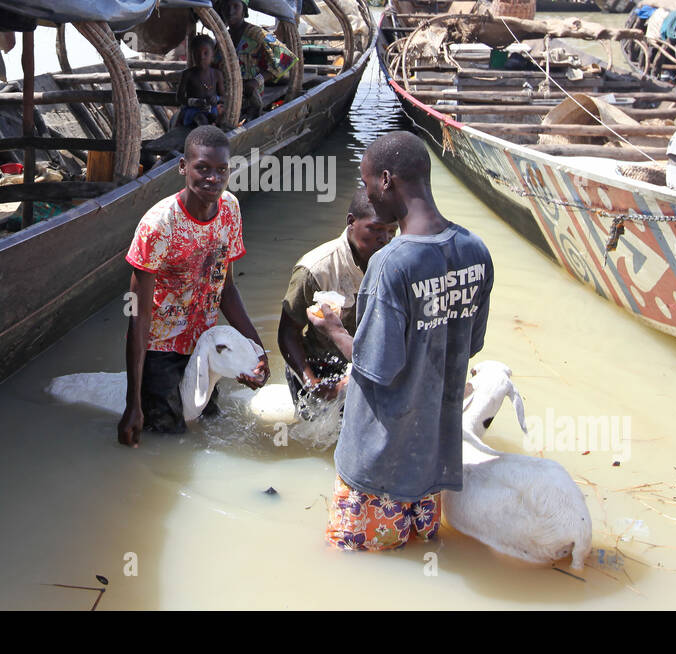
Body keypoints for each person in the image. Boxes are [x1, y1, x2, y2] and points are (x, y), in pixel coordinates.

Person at [308, 131, 493, 552]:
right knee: (420, 559)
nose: (369, 196)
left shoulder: (392, 264)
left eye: (369, 183)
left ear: (387, 180)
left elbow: (377, 367)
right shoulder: (476, 251)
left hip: (377, 470)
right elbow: (469, 345)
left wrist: (334, 329)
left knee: (355, 566)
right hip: (431, 465)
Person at [119, 124, 270, 444]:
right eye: (202, 168)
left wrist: (256, 350)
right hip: (160, 350)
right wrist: (133, 403)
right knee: (168, 439)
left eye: (221, 170)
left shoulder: (229, 210)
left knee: (209, 424)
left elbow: (226, 288)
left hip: (203, 344)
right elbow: (138, 317)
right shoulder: (159, 225)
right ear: (183, 167)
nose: (212, 178)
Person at [276, 189, 395, 420]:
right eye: (377, 229)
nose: (386, 239)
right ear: (351, 222)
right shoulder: (316, 269)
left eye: (392, 231)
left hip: (362, 364)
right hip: (317, 367)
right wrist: (312, 383)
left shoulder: (394, 264)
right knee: (319, 438)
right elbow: (288, 333)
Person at [214, 0, 295, 121]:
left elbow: (285, 59)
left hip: (250, 95)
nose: (230, 11)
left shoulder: (257, 34)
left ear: (244, 11)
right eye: (226, 7)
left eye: (236, 6)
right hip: (226, 94)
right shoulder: (223, 37)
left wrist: (257, 81)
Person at [175, 34, 224, 128]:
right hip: (193, 111)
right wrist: (194, 102)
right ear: (191, 55)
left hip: (211, 109)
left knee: (219, 119)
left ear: (212, 55)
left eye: (206, 53)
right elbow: (179, 97)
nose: (201, 57)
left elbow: (224, 97)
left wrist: (216, 98)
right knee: (201, 119)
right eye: (197, 54)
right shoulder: (187, 74)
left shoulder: (217, 74)